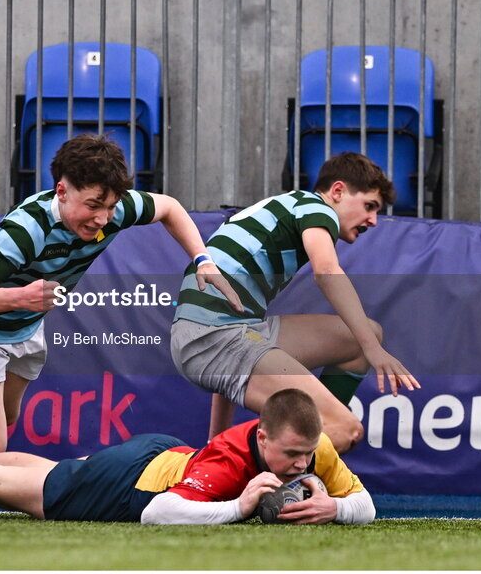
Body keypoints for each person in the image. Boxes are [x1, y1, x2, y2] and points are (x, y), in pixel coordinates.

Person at [0, 134, 242, 515]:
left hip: (27, 326)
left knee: (2, 414)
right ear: (62, 191)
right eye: (94, 205)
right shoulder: (27, 229)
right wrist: (22, 297)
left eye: (111, 207)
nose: (102, 219)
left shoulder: (113, 209)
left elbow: (170, 208)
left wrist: (203, 259)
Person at [171, 152, 420, 452]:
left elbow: (231, 359)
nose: (374, 221)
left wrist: (214, 443)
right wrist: (375, 351)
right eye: (370, 206)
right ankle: (291, 478)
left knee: (364, 334)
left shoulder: (291, 206)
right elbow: (327, 272)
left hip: (220, 335)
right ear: (338, 191)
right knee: (345, 428)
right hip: (215, 339)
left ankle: (301, 438)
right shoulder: (318, 208)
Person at [0, 388, 375, 525]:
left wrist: (336, 508)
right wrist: (236, 509)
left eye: (307, 456)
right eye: (291, 457)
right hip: (137, 486)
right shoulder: (231, 462)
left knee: (51, 475)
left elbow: (365, 503)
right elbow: (158, 514)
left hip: (160, 457)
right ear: (262, 438)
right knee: (3, 487)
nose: (302, 467)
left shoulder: (313, 445)